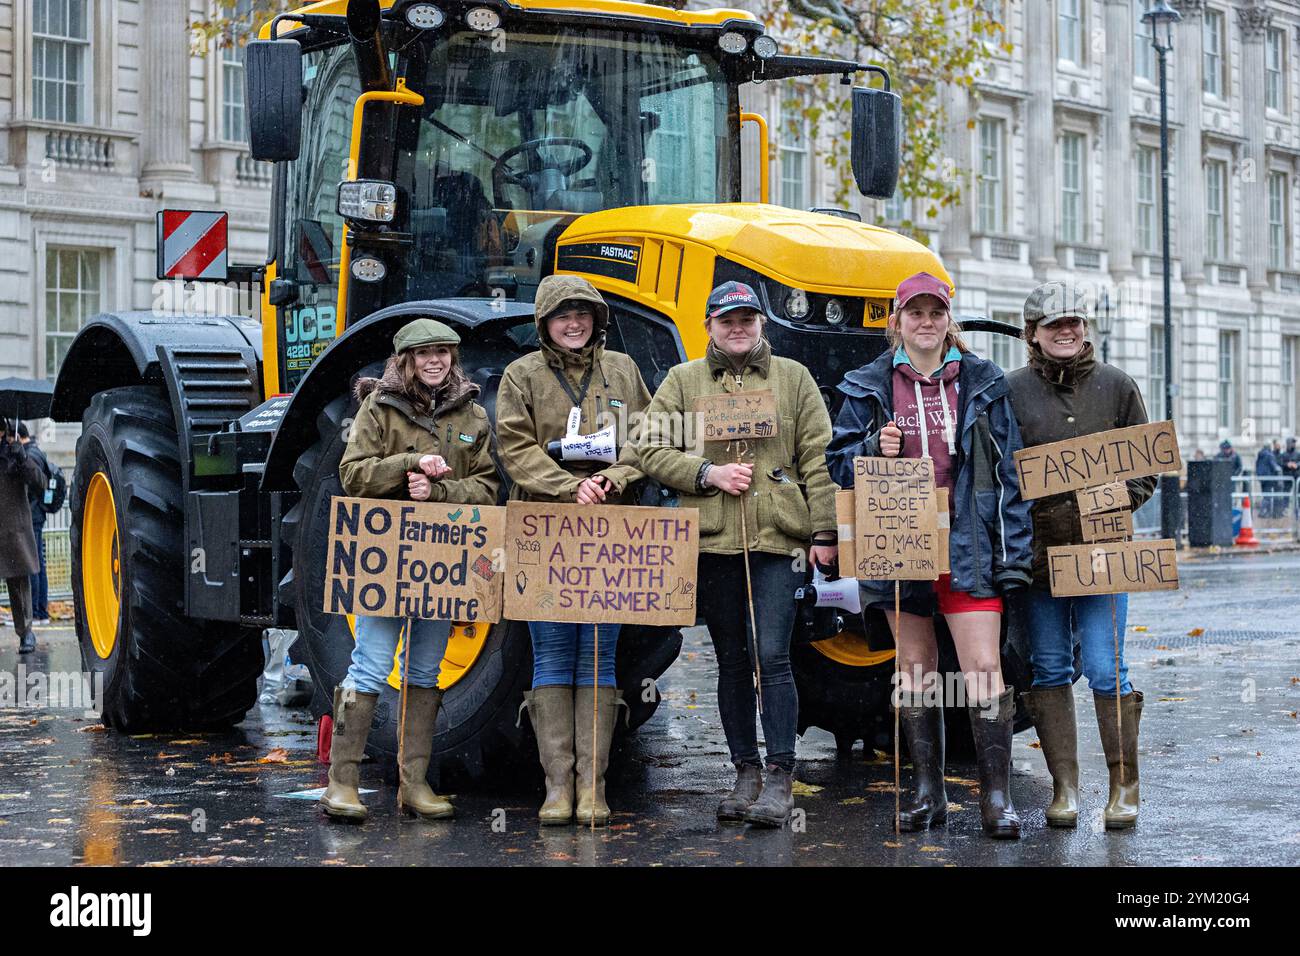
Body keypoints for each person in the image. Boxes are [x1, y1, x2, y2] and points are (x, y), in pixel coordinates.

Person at [826, 271, 1033, 840]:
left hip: (968, 545)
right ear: (897, 320)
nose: (925, 322)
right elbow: (839, 466)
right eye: (914, 313)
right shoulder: (866, 384)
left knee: (983, 669)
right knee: (914, 669)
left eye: (935, 312)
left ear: (949, 320)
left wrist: (1014, 550)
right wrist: (873, 447)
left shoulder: (985, 381)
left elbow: (1011, 474)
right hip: (900, 541)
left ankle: (996, 797)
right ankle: (927, 793)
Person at [639, 281, 838, 828]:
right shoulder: (683, 381)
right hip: (712, 543)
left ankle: (780, 776)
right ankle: (744, 771)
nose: (738, 328)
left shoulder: (793, 379)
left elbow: (817, 458)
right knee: (731, 660)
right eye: (727, 321)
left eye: (747, 320)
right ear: (709, 325)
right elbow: (648, 447)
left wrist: (824, 532)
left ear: (762, 325)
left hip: (777, 541)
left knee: (771, 655)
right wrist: (706, 474)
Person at [324, 318, 500, 822]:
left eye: (443, 352)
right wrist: (410, 464)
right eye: (424, 353)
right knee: (372, 664)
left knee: (426, 670)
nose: (434, 361)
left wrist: (441, 491)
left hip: (444, 563)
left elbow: (487, 487)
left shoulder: (472, 414)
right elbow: (353, 475)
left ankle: (414, 784)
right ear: (404, 361)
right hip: (387, 563)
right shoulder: (377, 408)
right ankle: (342, 784)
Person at [496, 274, 652, 826]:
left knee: (598, 655)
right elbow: (513, 446)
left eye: (583, 314)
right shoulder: (522, 375)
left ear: (597, 320)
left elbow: (647, 437)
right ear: (545, 323)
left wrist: (613, 478)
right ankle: (557, 789)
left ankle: (594, 789)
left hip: (608, 529)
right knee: (553, 656)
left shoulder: (624, 372)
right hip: (544, 529)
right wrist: (569, 486)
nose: (574, 323)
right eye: (563, 315)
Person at [1005, 281, 1157, 831]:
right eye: (1054, 325)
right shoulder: (1011, 391)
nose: (1067, 331)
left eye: (1075, 322)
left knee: (1104, 666)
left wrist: (1112, 497)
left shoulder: (1119, 387)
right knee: (1048, 667)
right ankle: (1064, 788)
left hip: (1105, 555)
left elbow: (1146, 467)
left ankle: (1124, 787)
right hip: (1041, 560)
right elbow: (1003, 473)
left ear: (1086, 328)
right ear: (1033, 335)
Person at [1, 420, 44, 654]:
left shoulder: (15, 455)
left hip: (12, 530)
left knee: (18, 585)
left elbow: (40, 482)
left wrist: (22, 457)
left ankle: (26, 632)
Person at [18, 424, 51, 624]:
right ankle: (41, 611)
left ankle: (38, 612)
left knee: (34, 563)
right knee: (38, 561)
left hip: (33, 515)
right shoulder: (37, 452)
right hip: (38, 514)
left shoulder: (31, 455)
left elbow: (36, 484)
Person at [1255, 441, 1280, 519]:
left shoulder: (1260, 454)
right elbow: (1275, 467)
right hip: (1269, 478)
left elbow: (1257, 465)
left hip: (1262, 478)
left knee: (1265, 495)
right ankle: (1262, 512)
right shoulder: (1269, 455)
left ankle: (1267, 512)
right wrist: (1279, 469)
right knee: (1267, 497)